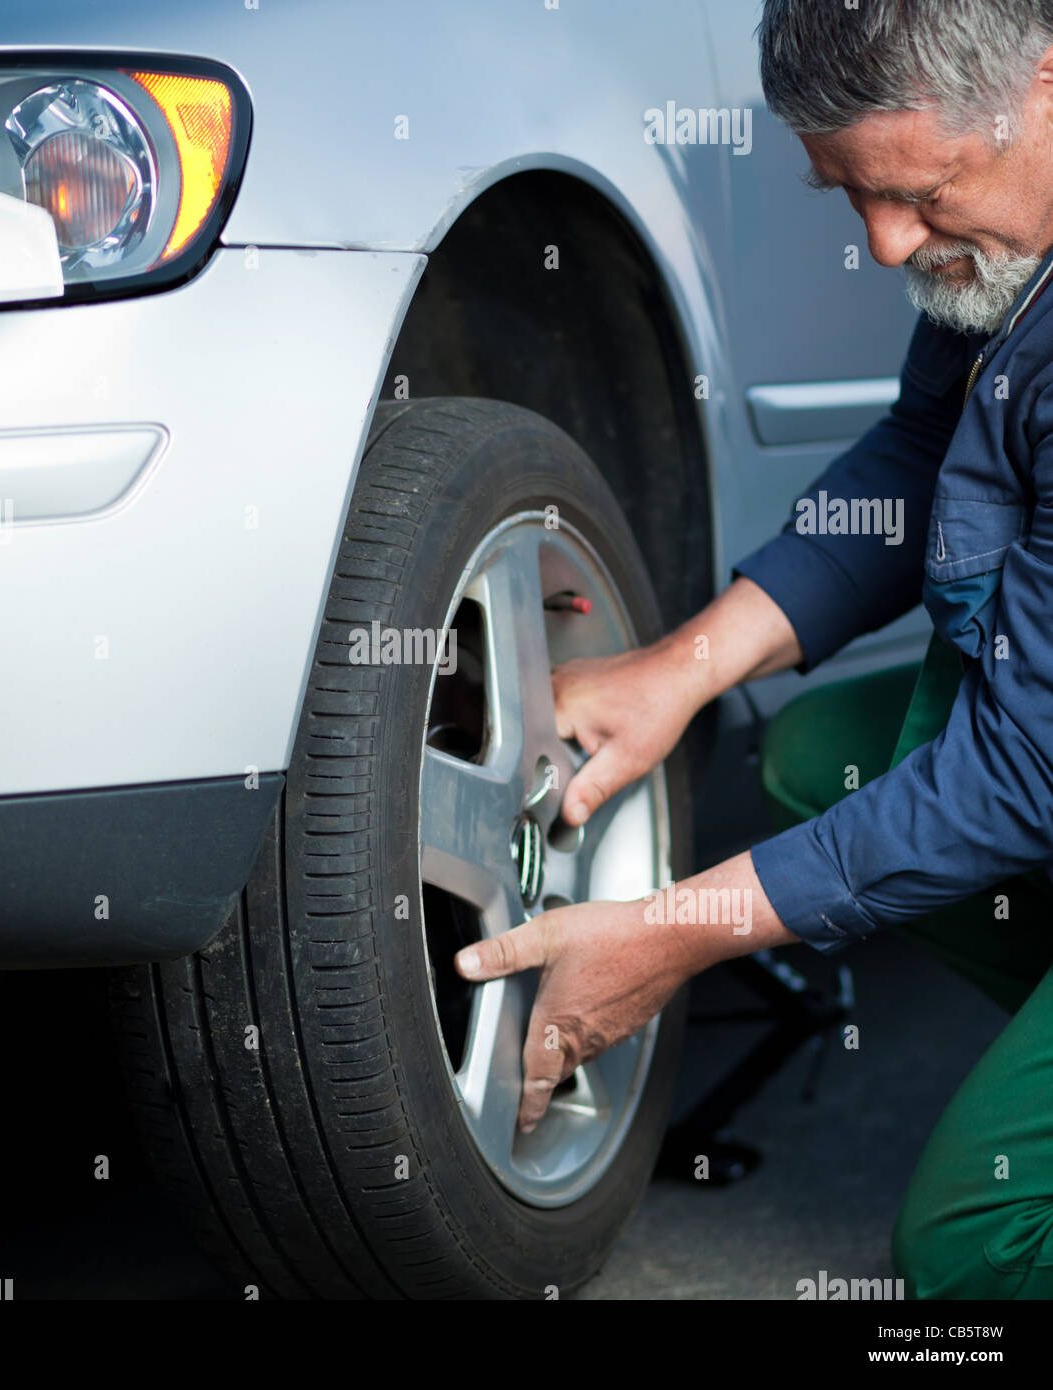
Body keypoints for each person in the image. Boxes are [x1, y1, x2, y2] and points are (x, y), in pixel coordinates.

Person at [455, 0, 1053, 1299]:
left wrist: (672, 931)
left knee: (971, 1247)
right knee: (830, 757)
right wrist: (685, 663)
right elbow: (911, 462)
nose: (888, 242)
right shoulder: (1006, 246)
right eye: (849, 194)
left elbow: (1019, 780)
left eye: (919, 191)